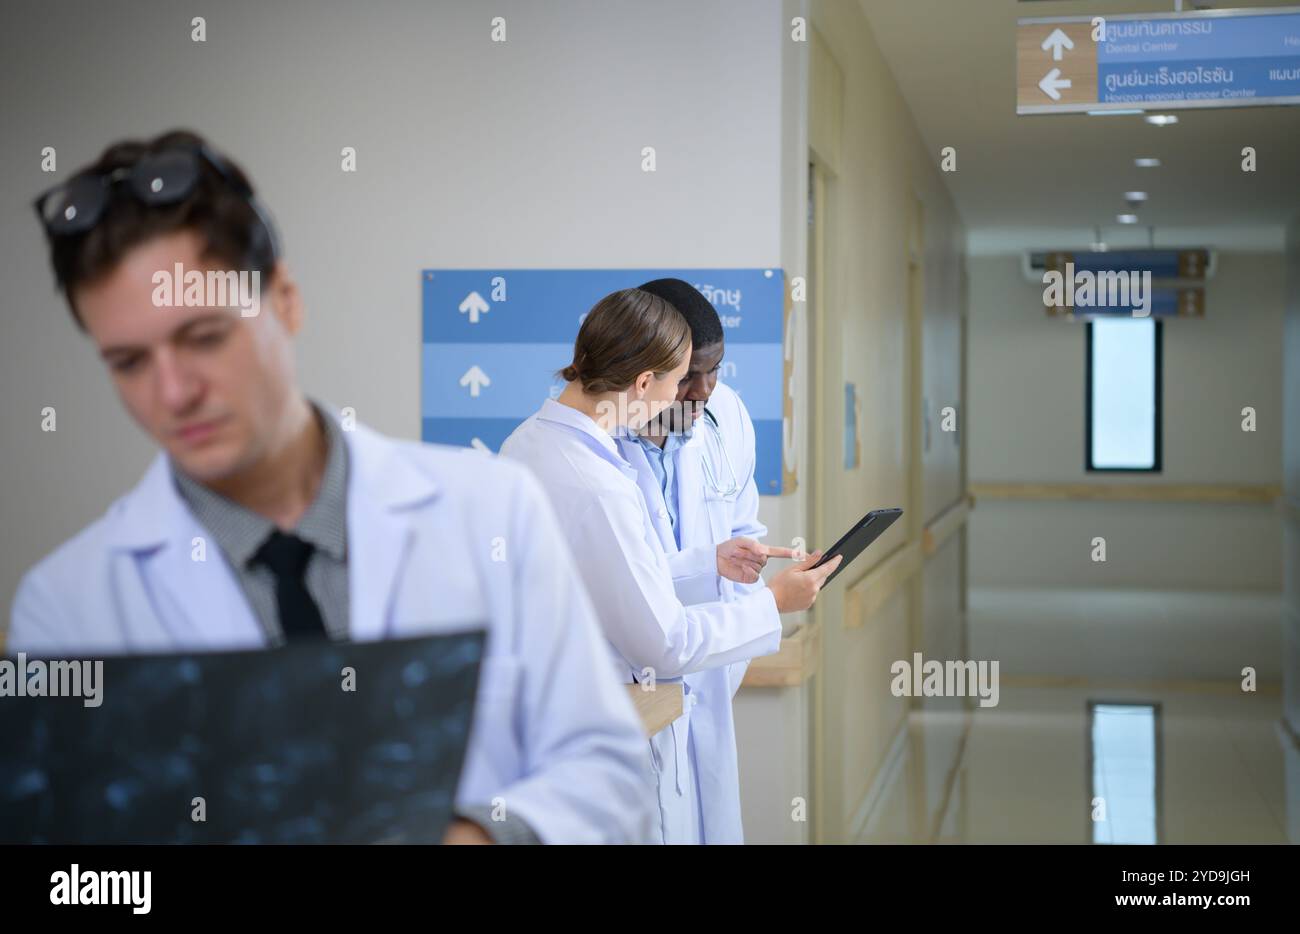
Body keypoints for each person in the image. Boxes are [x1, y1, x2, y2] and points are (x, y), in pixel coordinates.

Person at [10, 129, 654, 845]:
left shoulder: (490, 510)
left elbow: (612, 770)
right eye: (129, 361)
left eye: (204, 336)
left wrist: (481, 837)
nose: (173, 392)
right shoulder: (67, 606)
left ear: (284, 299)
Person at [499, 288, 840, 843]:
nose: (696, 396)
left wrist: (706, 563)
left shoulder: (527, 447)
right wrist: (772, 603)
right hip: (616, 723)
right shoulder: (599, 482)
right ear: (643, 383)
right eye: (680, 380)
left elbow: (599, 578)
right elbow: (665, 642)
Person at [614, 277, 774, 843]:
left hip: (708, 677)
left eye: (716, 369)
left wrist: (724, 663)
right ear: (649, 368)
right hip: (629, 692)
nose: (703, 390)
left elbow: (742, 528)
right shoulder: (601, 442)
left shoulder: (726, 415)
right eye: (688, 376)